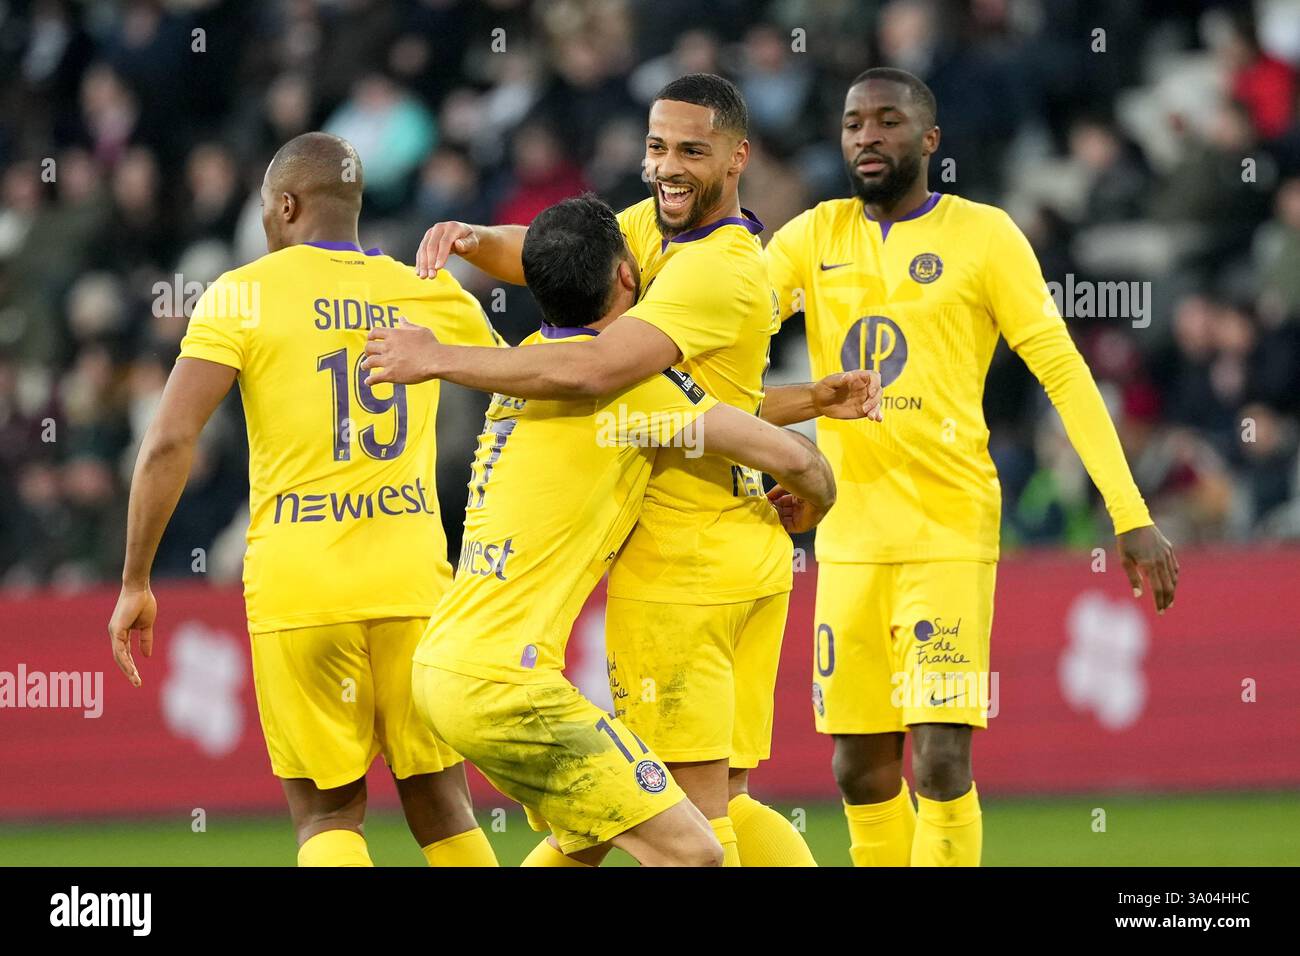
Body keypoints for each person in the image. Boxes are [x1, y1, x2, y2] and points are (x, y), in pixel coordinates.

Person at [366, 74, 880, 867]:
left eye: (689, 151)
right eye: (655, 147)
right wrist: (473, 237)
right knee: (704, 817)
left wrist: (438, 359)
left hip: (680, 570)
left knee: (693, 830)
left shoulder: (668, 312)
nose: (665, 167)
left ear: (739, 157)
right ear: (625, 278)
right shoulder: (650, 252)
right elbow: (553, 260)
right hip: (738, 550)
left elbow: (600, 372)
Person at [763, 68, 1180, 866]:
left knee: (941, 758)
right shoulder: (812, 236)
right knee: (857, 769)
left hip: (949, 530)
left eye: (888, 122)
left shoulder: (984, 236)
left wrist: (1129, 513)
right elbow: (729, 318)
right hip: (849, 536)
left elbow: (1063, 370)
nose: (867, 137)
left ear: (930, 141)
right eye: (853, 124)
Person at [107, 132, 504, 867]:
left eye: (264, 206)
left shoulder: (241, 293)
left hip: (302, 585)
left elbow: (166, 442)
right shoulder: (425, 287)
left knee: (328, 813)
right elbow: (521, 393)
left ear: (286, 206)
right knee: (442, 804)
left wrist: (136, 578)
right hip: (413, 581)